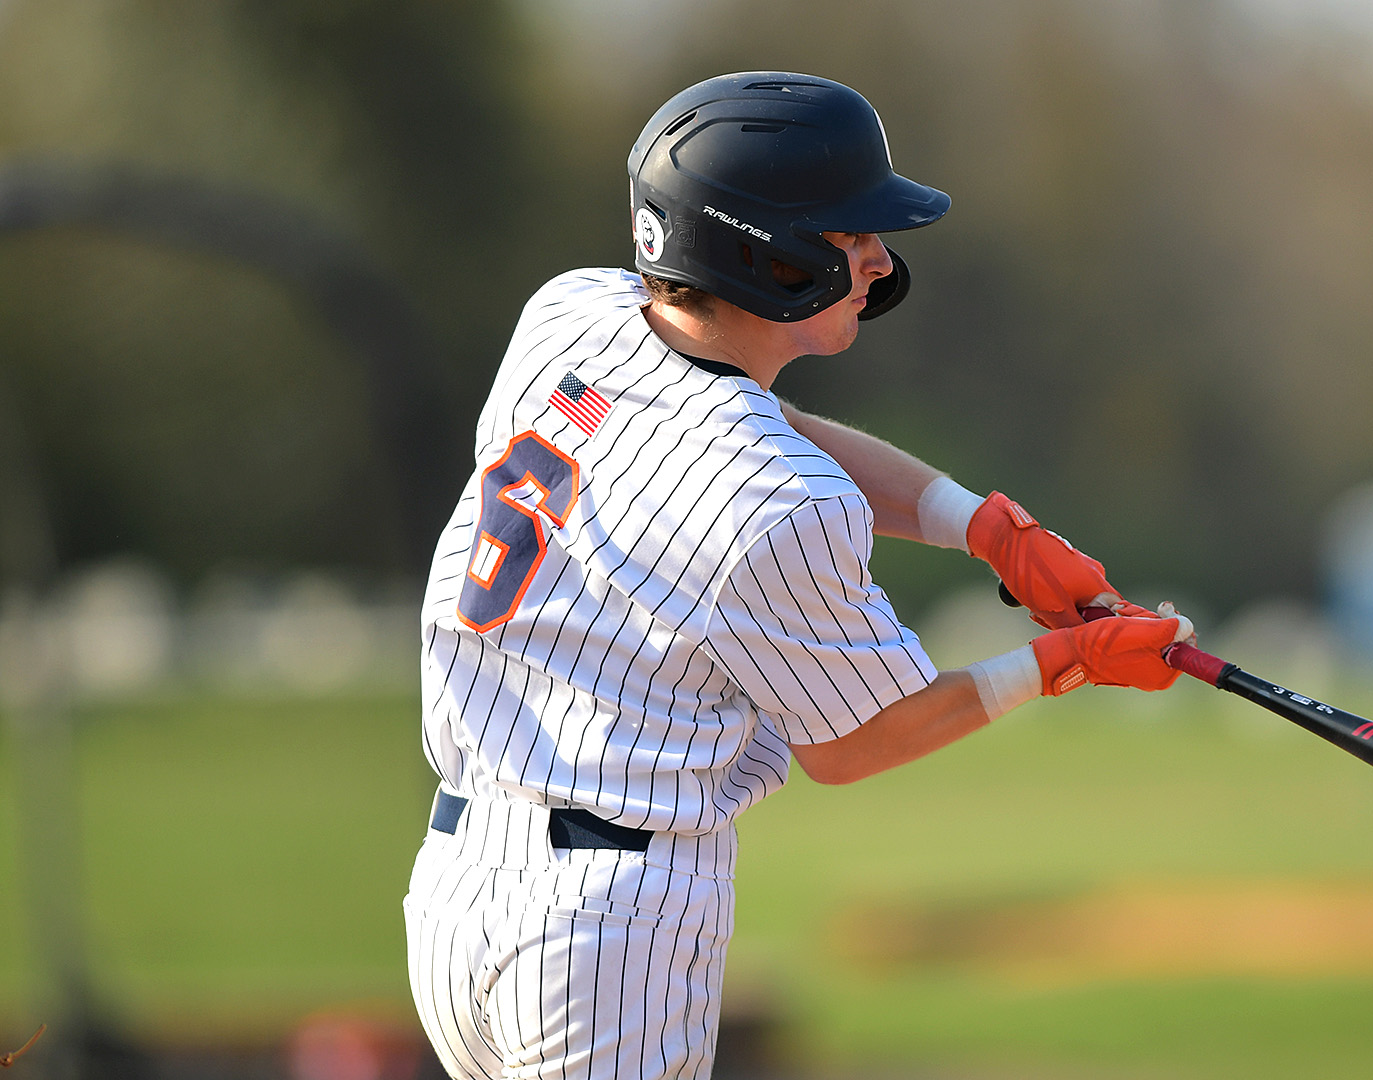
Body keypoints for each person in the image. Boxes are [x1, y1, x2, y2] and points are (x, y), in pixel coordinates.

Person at [401, 71, 1192, 1080]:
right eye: (847, 236)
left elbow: (753, 423)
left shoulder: (575, 315)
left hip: (457, 887)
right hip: (603, 928)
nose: (876, 260)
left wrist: (989, 529)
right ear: (760, 255)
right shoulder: (779, 503)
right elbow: (859, 741)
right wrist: (1060, 663)